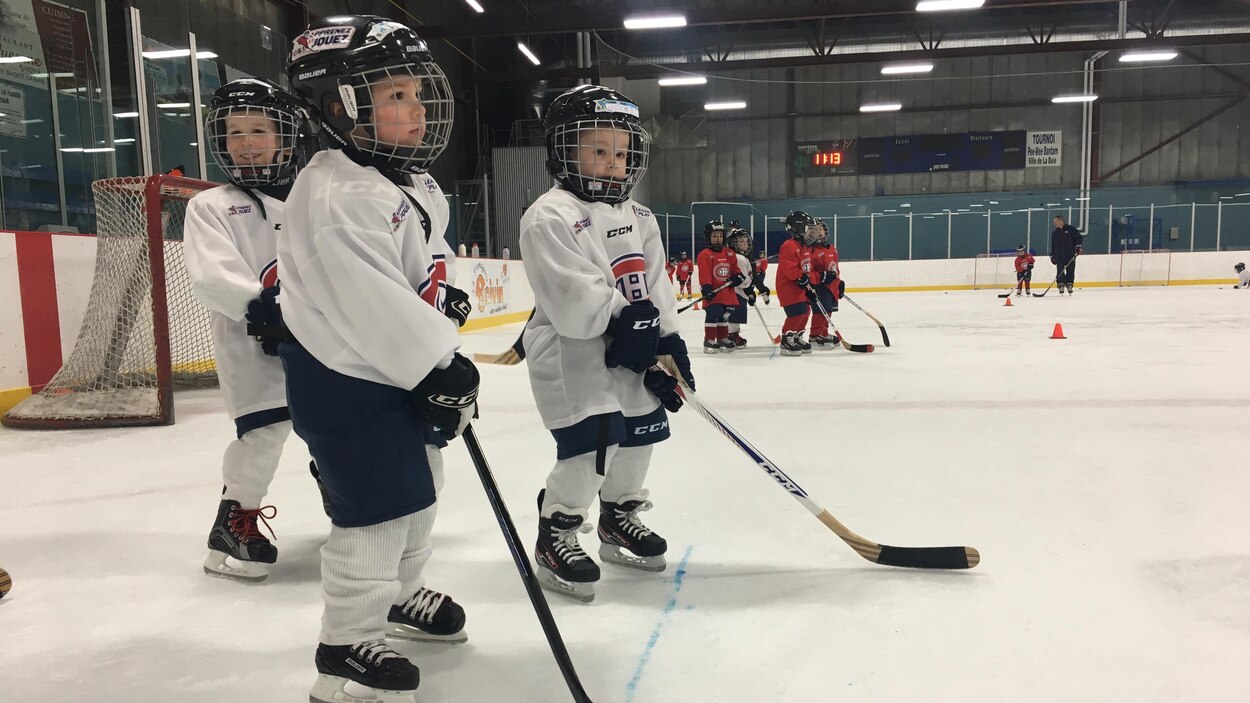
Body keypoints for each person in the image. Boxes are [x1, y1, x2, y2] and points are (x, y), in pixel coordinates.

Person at [282, 15, 477, 703]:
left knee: (418, 487)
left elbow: (432, 260)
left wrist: (443, 307)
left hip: (392, 372)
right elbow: (367, 300)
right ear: (340, 106)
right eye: (398, 95)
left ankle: (398, 595)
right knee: (374, 511)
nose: (419, 108)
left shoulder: (408, 182)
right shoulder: (339, 193)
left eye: (418, 93)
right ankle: (344, 647)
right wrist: (437, 362)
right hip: (347, 381)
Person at [519, 84, 693, 603]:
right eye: (598, 150)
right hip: (572, 350)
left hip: (634, 347)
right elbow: (574, 296)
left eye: (622, 152)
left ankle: (619, 518)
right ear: (563, 152)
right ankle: (559, 531)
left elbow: (656, 284)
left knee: (641, 432)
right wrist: (626, 324)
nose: (613, 163)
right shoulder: (549, 215)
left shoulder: (640, 217)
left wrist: (668, 339)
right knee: (595, 440)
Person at [185, 78, 315, 583]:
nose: (244, 142)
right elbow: (212, 273)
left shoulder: (312, 197)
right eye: (234, 132)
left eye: (257, 129)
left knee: (339, 423)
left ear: (285, 136)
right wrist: (263, 310)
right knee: (263, 431)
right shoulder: (213, 205)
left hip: (324, 340)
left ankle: (342, 490)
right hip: (253, 345)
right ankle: (234, 520)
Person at [697, 220, 745, 352]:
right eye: (714, 236)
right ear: (708, 237)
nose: (718, 239)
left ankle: (722, 338)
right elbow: (705, 274)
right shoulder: (705, 255)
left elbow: (735, 269)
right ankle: (709, 340)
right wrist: (706, 288)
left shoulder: (729, 253)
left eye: (720, 236)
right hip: (714, 292)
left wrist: (738, 276)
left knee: (725, 315)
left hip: (727, 292)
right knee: (713, 314)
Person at [777, 211, 821, 356]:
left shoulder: (805, 247)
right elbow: (788, 267)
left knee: (806, 311)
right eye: (808, 228)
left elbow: (808, 269)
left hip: (801, 287)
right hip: (789, 287)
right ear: (797, 228)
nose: (811, 232)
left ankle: (797, 336)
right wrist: (800, 277)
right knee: (797, 312)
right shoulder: (788, 245)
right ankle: (786, 339)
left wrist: (812, 285)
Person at [807, 221, 842, 349]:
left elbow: (835, 268)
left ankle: (823, 332)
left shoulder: (832, 248)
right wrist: (822, 276)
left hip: (832, 286)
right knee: (820, 310)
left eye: (821, 228)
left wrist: (839, 282)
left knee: (829, 310)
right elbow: (809, 270)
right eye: (816, 229)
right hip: (819, 286)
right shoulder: (811, 250)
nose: (819, 231)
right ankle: (815, 335)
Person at [725, 227, 755, 347]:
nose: (745, 244)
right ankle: (730, 335)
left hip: (738, 292)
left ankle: (733, 333)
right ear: (733, 243)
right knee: (735, 316)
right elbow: (742, 280)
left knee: (736, 316)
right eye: (741, 241)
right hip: (737, 293)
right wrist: (749, 287)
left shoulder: (738, 257)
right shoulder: (740, 259)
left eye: (746, 241)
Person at [1050, 215, 1083, 295]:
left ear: (1061, 221)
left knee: (1070, 270)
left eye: (1055, 221)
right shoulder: (1055, 232)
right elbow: (1053, 245)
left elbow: (1079, 238)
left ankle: (1069, 284)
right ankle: (1060, 284)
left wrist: (1078, 247)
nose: (1054, 223)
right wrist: (1052, 255)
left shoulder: (1071, 229)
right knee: (1060, 270)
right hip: (1059, 255)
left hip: (1070, 254)